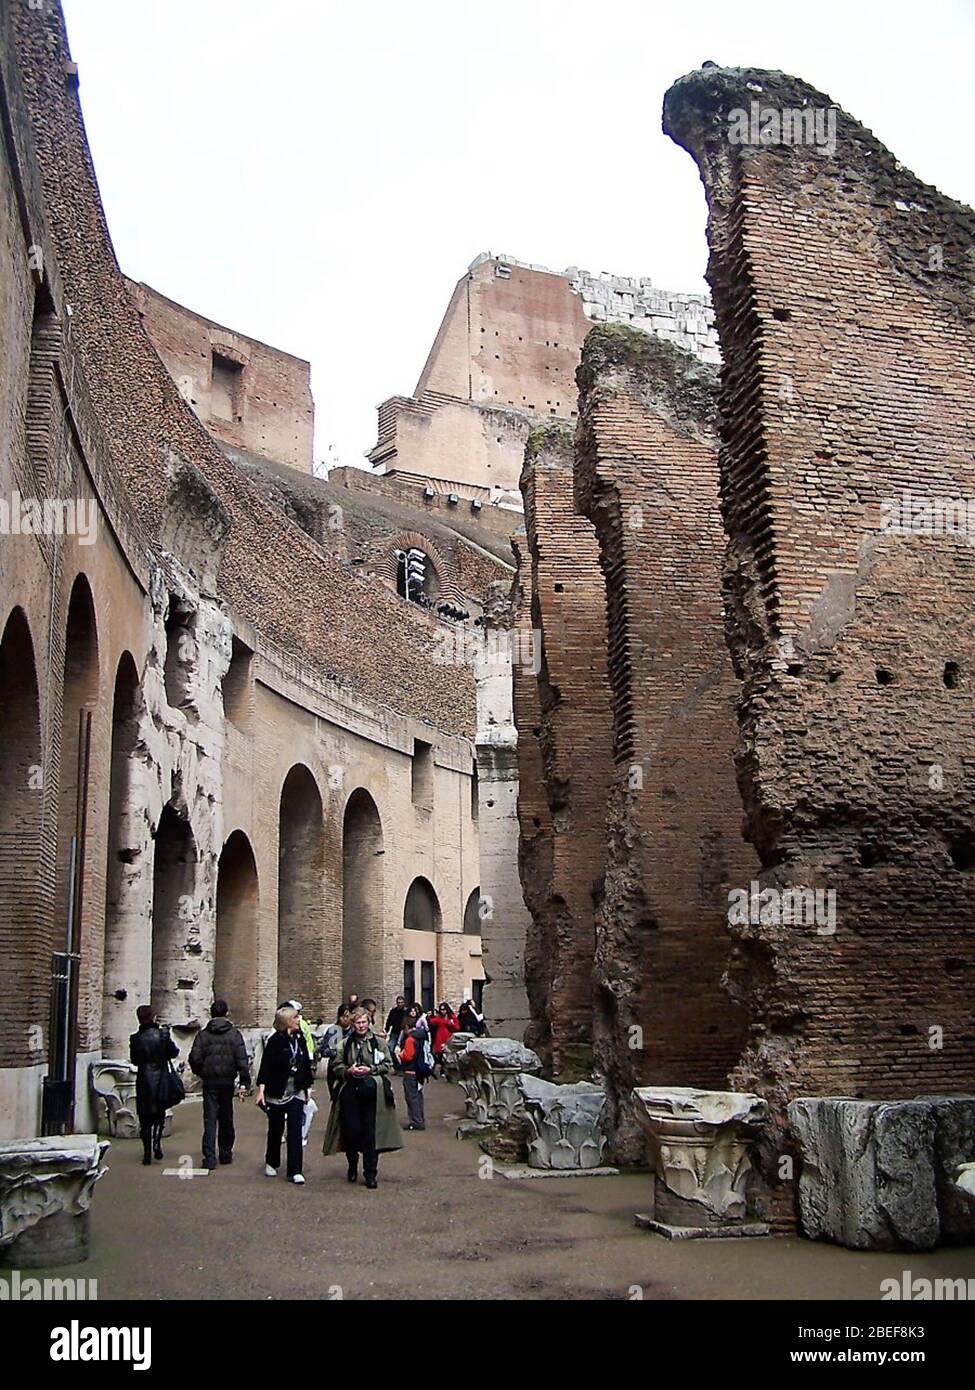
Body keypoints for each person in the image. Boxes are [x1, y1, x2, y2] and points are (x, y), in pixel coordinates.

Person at [323, 1007, 402, 1188]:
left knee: (371, 1133)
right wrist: (348, 1071)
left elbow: (388, 1064)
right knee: (351, 1131)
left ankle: (370, 1173)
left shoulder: (379, 1043)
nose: (361, 1026)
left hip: (373, 1092)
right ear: (353, 1024)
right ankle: (352, 1164)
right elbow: (336, 1066)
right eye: (358, 1023)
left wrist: (371, 1070)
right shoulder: (344, 1044)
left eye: (364, 1022)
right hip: (351, 1090)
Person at [188, 999, 251, 1170]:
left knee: (210, 1119)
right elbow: (242, 1059)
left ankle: (209, 1157)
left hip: (210, 1081)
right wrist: (244, 1081)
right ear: (226, 1013)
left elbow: (194, 1058)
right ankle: (225, 1153)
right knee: (226, 1117)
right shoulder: (234, 1035)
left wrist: (201, 1072)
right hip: (227, 1081)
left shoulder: (203, 1035)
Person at [255, 1005, 314, 1184]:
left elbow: (305, 1063)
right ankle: (272, 1161)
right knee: (276, 1128)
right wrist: (261, 1090)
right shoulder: (275, 1041)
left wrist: (308, 1086)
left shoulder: (299, 1038)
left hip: (296, 1090)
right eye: (295, 1017)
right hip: (277, 1091)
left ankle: (295, 1170)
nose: (298, 1020)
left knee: (295, 1130)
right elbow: (265, 1067)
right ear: (287, 1021)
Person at [129, 1004, 178, 1166]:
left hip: (144, 1079)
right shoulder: (162, 1035)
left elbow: (135, 1060)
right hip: (161, 1077)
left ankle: (147, 1153)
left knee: (144, 1117)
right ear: (153, 1017)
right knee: (159, 1112)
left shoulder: (136, 1038)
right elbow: (174, 1052)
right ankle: (157, 1142)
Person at [285, 1000, 320, 1147]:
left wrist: (307, 1086)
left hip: (300, 1074)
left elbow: (307, 1042)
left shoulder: (300, 1029)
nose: (297, 1019)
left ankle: (299, 1135)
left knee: (299, 1110)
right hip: (286, 1083)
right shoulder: (278, 1038)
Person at [396, 1020, 427, 1131]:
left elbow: (408, 1056)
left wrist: (400, 1054)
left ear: (407, 1027)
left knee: (411, 1098)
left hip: (410, 1071)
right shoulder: (421, 1037)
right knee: (418, 1097)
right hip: (419, 1072)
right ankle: (420, 1119)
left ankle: (415, 1121)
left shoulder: (410, 1039)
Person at [426, 1002, 459, 1076]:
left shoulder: (452, 1017)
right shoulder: (439, 1018)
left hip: (448, 1036)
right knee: (438, 1054)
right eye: (441, 1010)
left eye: (444, 1010)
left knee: (447, 1054)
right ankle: (441, 1070)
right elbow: (432, 1021)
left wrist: (450, 1023)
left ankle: (446, 1070)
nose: (442, 1011)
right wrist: (429, 1017)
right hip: (440, 1036)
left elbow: (457, 1027)